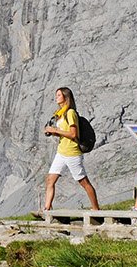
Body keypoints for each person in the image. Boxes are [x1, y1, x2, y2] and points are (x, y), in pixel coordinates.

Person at [41, 86, 100, 214]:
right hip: (61, 152)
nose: (56, 97)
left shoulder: (70, 113)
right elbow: (64, 133)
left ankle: (96, 208)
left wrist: (55, 130)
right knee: (50, 179)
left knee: (84, 182)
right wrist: (52, 132)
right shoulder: (60, 114)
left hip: (72, 153)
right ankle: (47, 209)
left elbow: (73, 134)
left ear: (66, 97)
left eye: (59, 95)